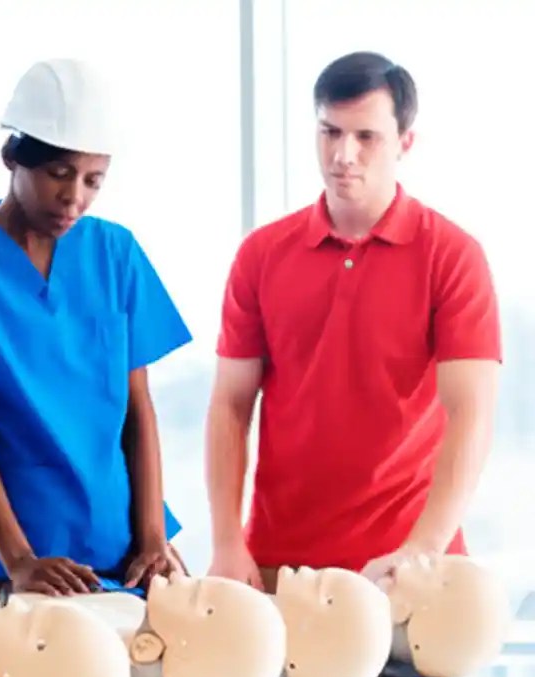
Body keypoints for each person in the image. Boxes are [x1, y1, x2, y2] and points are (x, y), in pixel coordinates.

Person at [205, 51, 501, 593]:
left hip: (410, 570)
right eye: (329, 132)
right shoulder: (262, 254)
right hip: (281, 566)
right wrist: (227, 542)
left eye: (366, 137)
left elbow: (472, 413)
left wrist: (424, 550)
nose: (344, 155)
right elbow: (229, 404)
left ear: (404, 142)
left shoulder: (453, 256)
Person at [0, 58, 192, 597]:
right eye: (59, 174)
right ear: (14, 159)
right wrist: (20, 560)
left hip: (130, 556)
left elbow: (138, 411)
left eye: (94, 180)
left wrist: (153, 538)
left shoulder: (117, 252)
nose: (75, 198)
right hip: (23, 564)